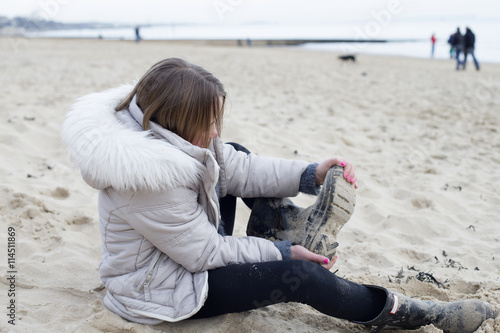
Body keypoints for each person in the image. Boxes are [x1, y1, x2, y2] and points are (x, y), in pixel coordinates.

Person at [61, 58, 495, 332]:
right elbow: (204, 254)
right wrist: (283, 256)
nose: (215, 132)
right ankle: (409, 313)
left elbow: (240, 168)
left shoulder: (173, 137)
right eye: (209, 122)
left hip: (185, 249)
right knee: (303, 279)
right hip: (163, 289)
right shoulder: (144, 180)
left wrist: (311, 173)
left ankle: (284, 221)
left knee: (234, 161)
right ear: (176, 121)